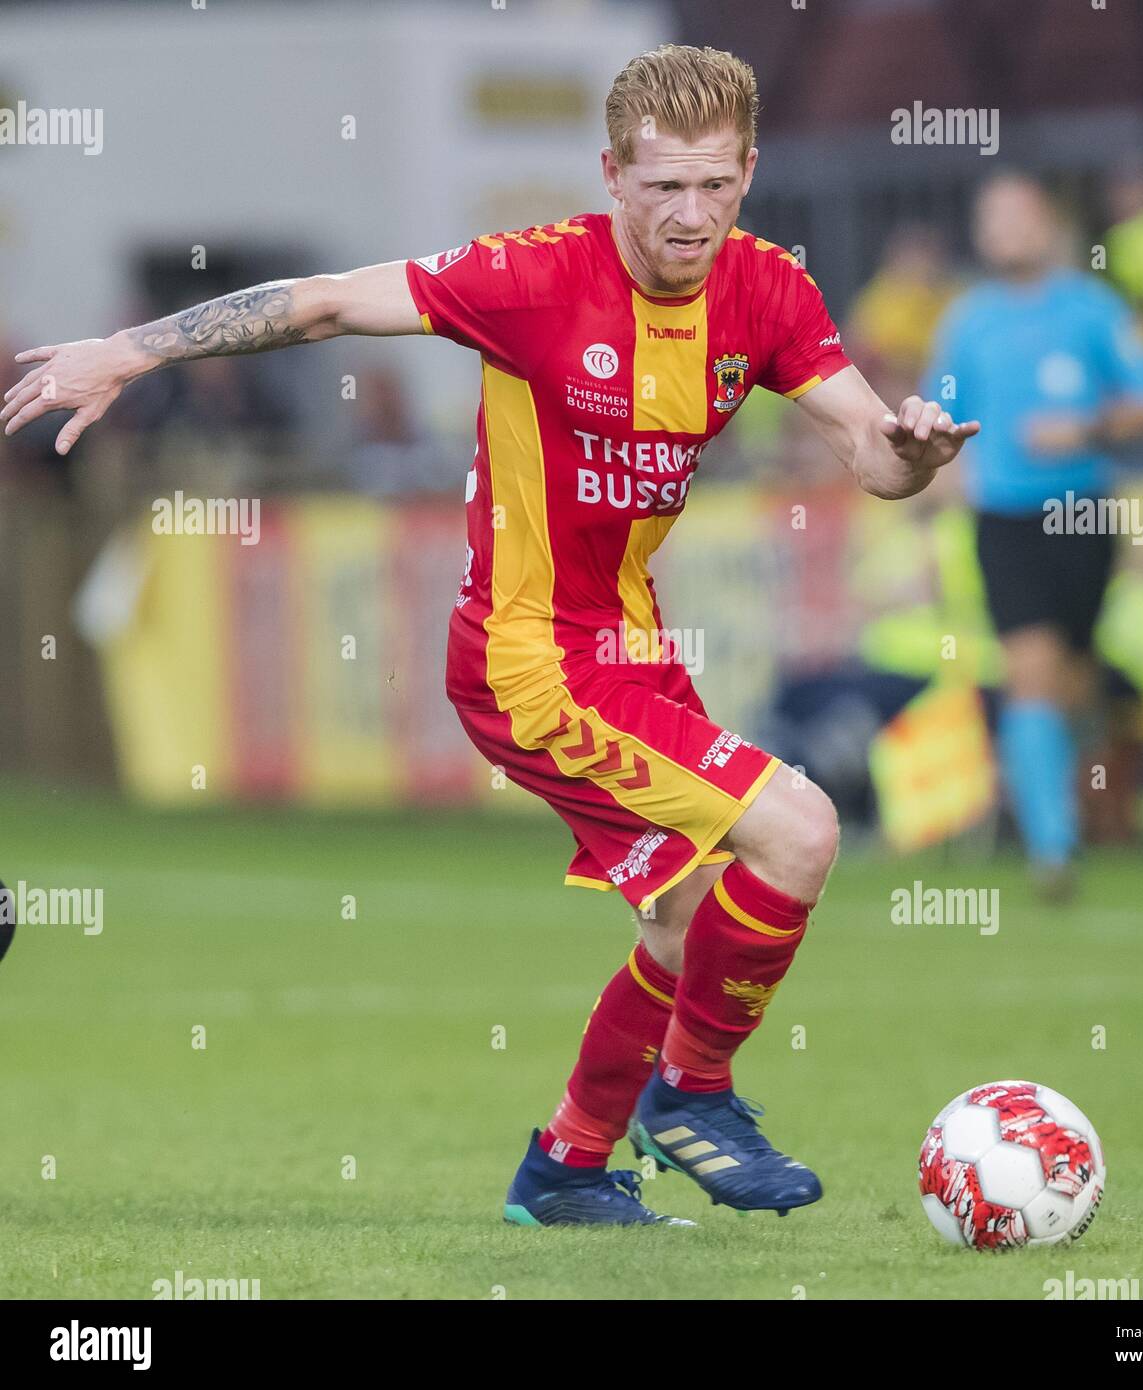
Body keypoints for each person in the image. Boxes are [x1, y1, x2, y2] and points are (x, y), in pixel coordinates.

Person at [3, 44, 977, 1226]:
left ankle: (565, 1169)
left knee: (684, 919)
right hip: (527, 659)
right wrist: (132, 350)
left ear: (748, 173)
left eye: (714, 186)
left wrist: (914, 455)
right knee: (805, 831)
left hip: (629, 646)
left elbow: (873, 453)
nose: (689, 214)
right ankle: (693, 1093)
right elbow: (317, 302)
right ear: (610, 173)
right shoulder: (528, 278)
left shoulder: (767, 288)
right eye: (663, 185)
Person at [925, 172, 1143, 897]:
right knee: (1029, 671)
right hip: (1004, 520)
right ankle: (1053, 849)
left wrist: (1086, 428)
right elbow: (940, 419)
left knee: (1071, 679)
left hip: (1086, 516)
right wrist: (932, 486)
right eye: (990, 217)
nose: (1003, 231)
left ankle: (1087, 802)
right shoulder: (967, 321)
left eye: (1016, 216)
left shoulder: (1093, 310)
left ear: (1047, 224)